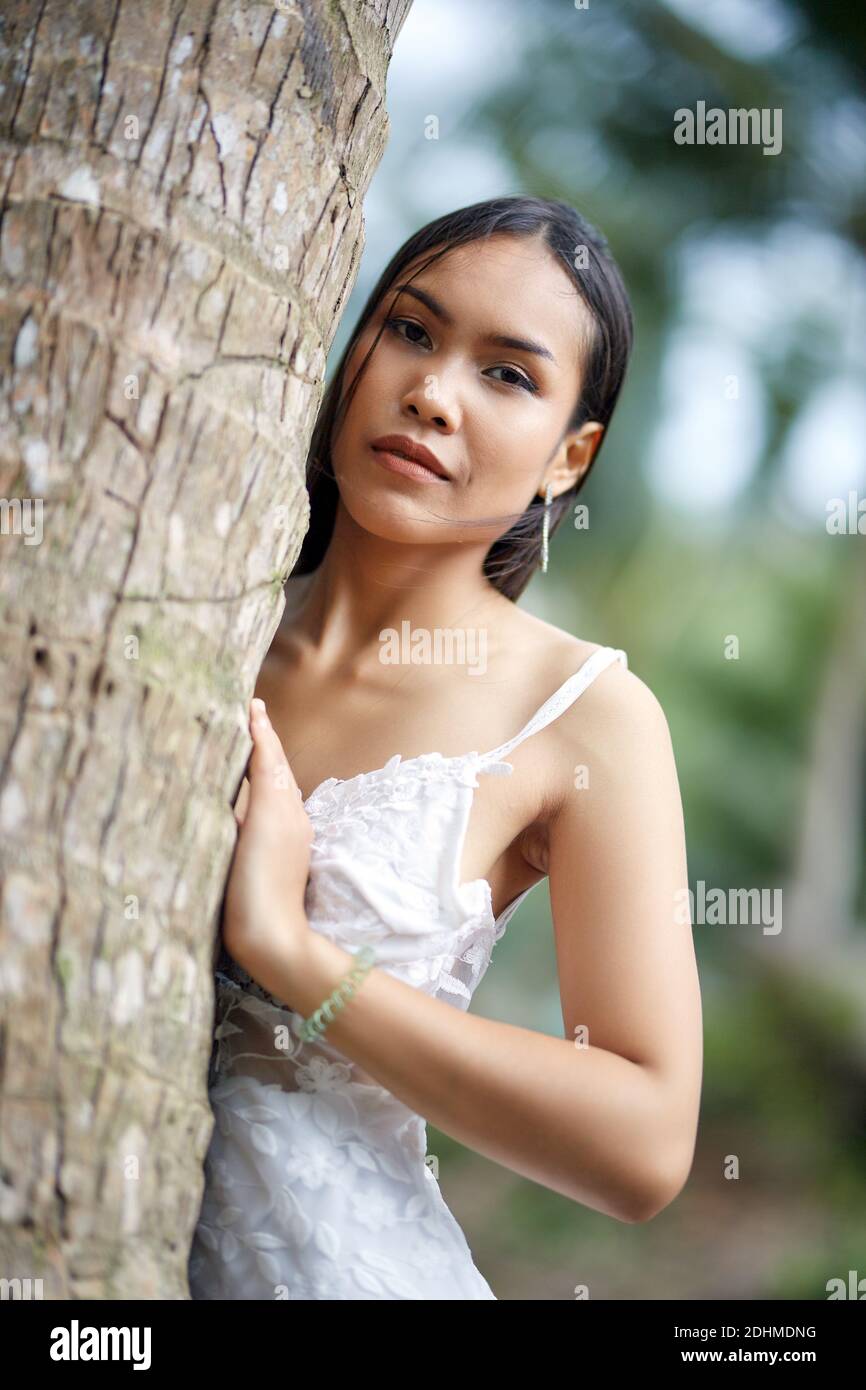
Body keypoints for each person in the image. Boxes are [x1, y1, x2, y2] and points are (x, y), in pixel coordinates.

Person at [188, 195, 702, 1301]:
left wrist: (292, 953)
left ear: (569, 456)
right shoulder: (184, 618)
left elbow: (645, 1146)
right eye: (412, 331)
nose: (431, 392)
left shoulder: (580, 713)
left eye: (507, 374)